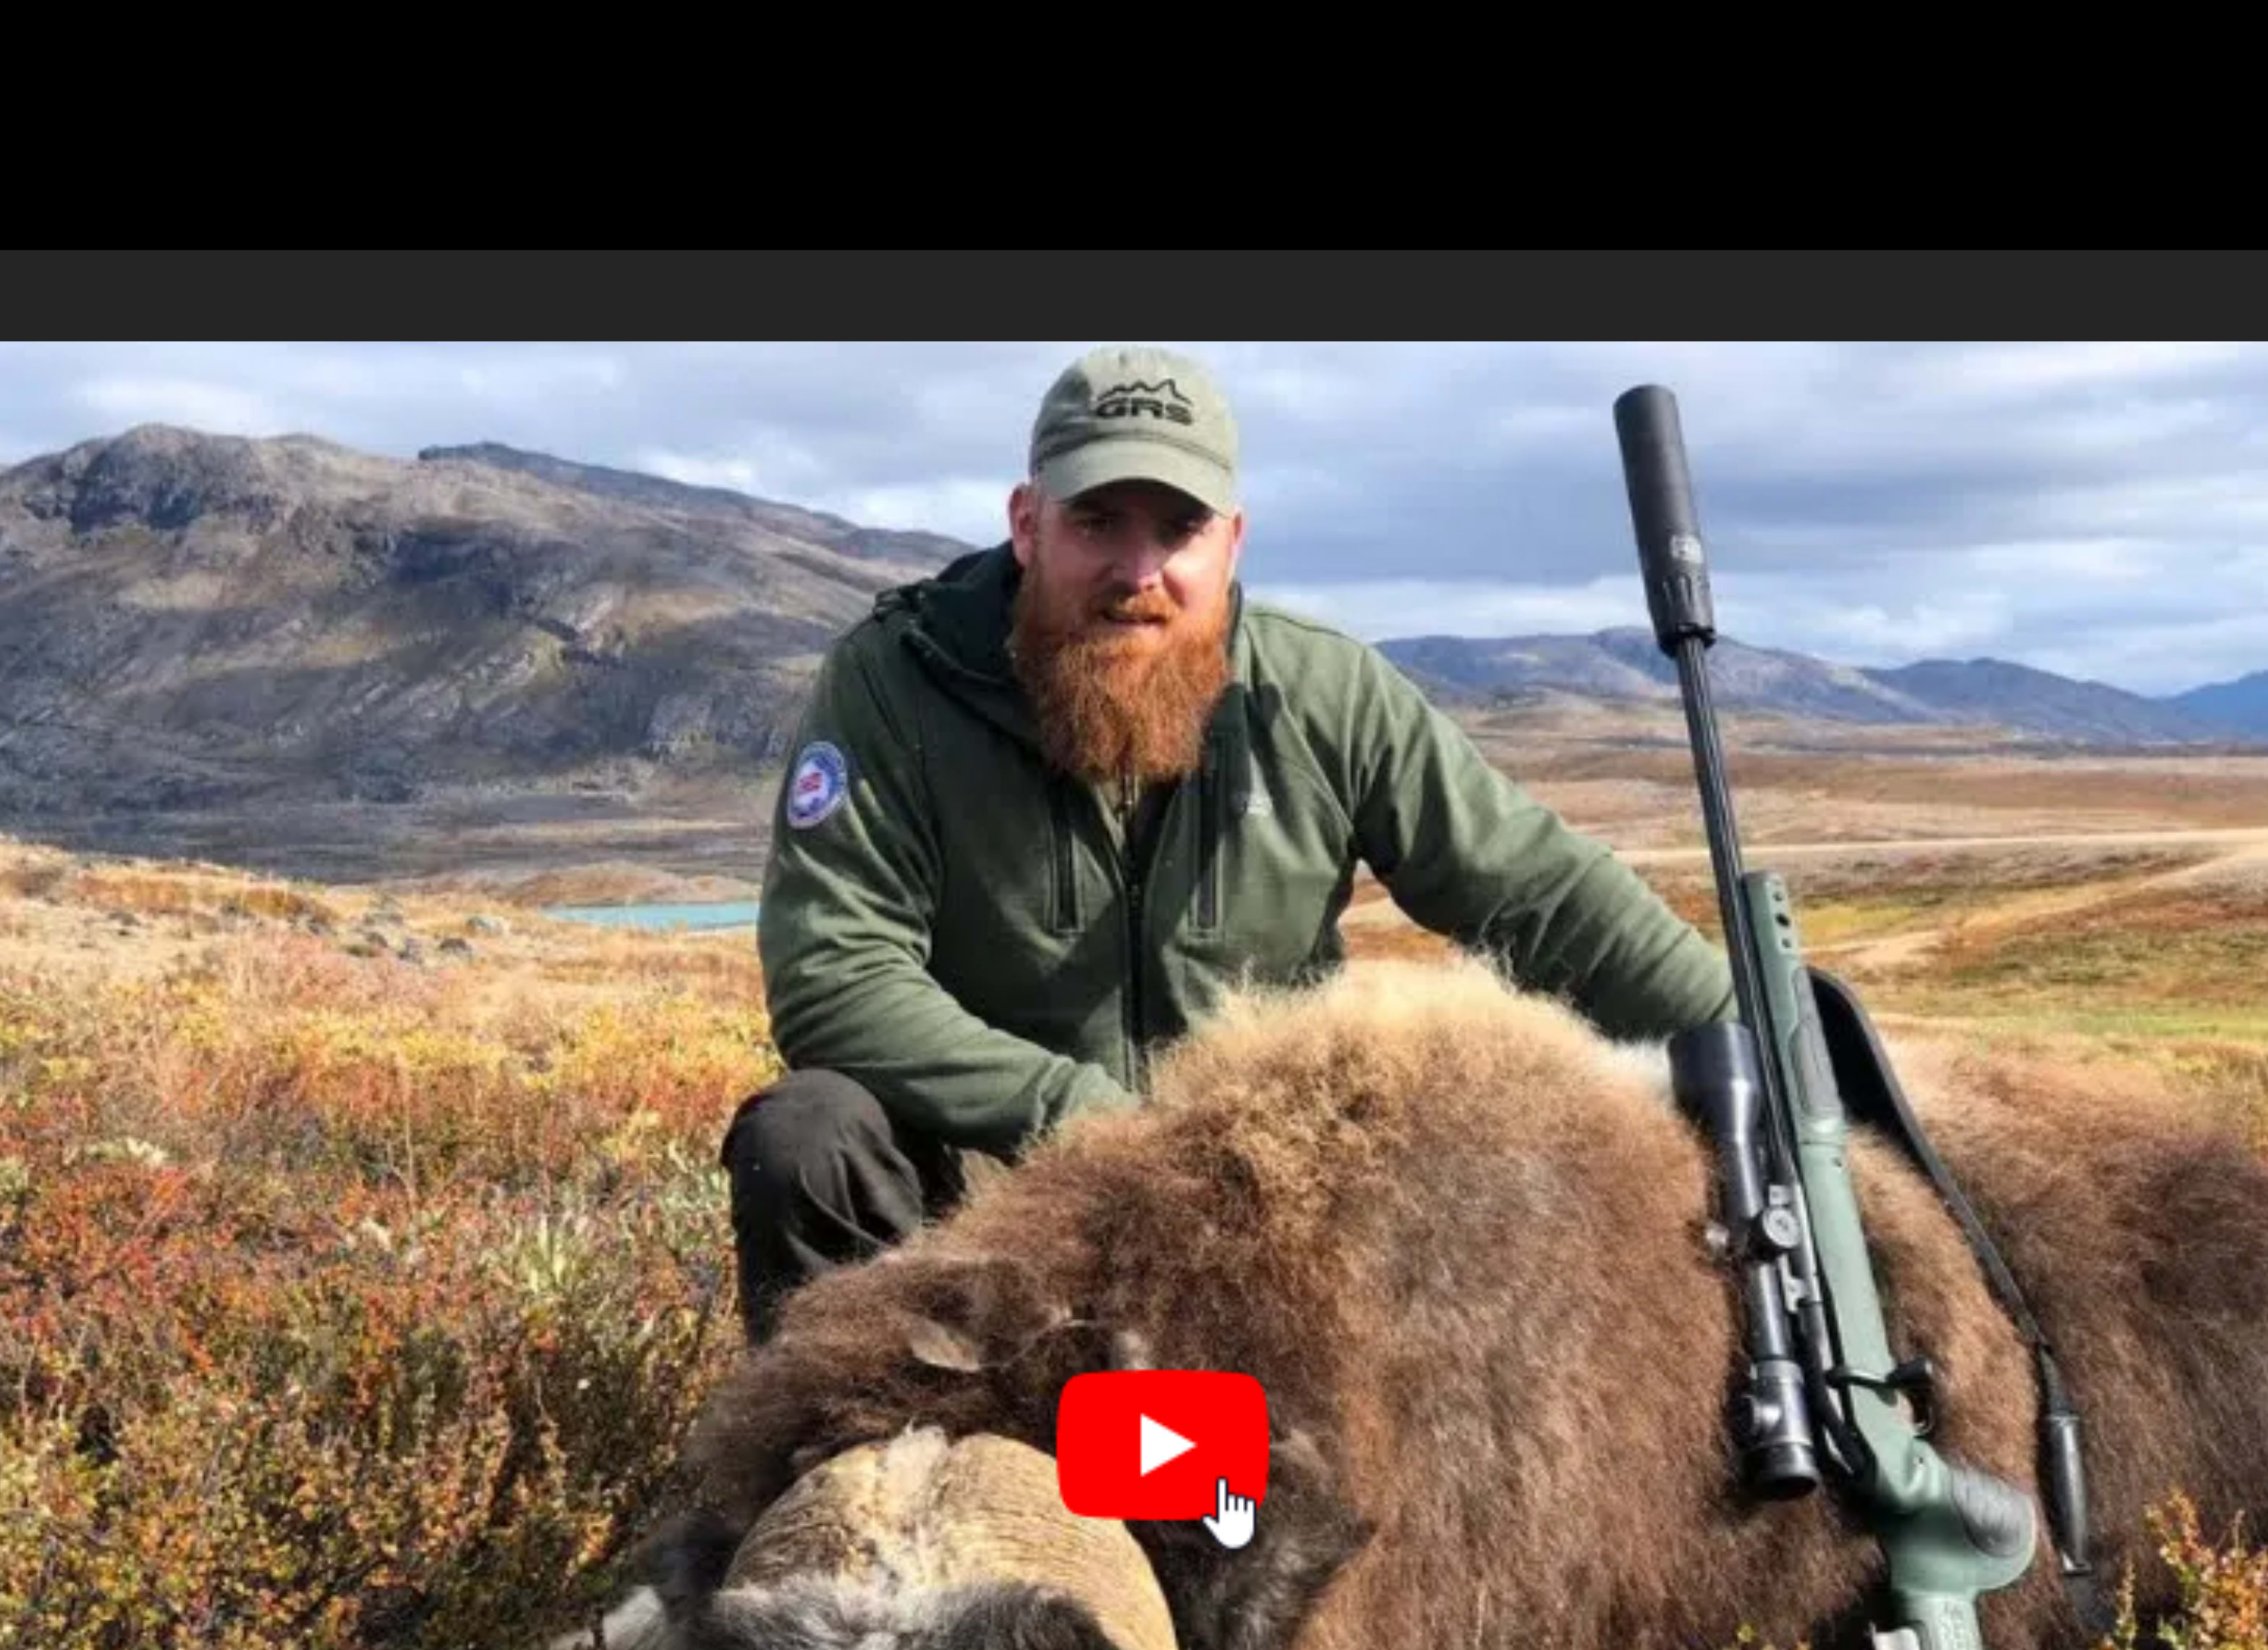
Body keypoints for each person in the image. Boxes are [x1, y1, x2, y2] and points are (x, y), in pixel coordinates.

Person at [718, 344, 1744, 1345]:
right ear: (1027, 526)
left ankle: (1158, 1470)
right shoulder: (898, 683)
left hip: (1253, 1216)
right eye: (1096, 522)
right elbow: (836, 976)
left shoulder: (1321, 694)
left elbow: (1539, 896)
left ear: (1233, 542)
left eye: (1179, 528)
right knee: (808, 1137)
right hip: (993, 1205)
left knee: (1226, 1482)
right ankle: (859, 1469)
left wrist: (1771, 1040)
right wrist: (1084, 1117)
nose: (1139, 571)